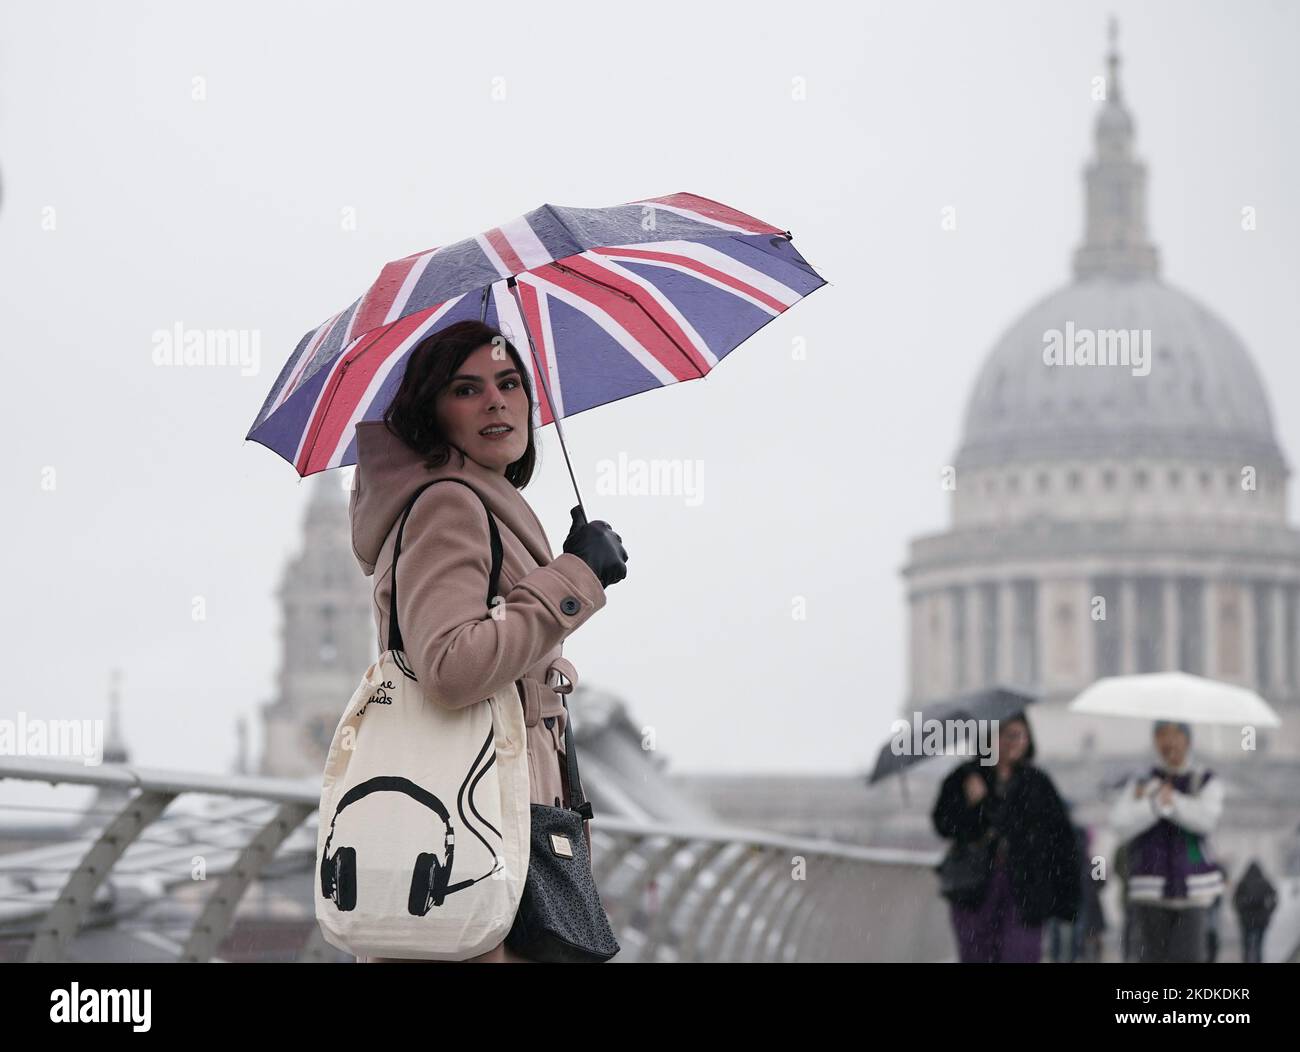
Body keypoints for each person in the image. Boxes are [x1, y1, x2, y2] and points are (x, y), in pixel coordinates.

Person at [346, 319, 630, 962]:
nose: (496, 401)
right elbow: (451, 665)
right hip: (477, 818)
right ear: (433, 414)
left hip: (486, 814)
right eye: (466, 389)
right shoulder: (451, 504)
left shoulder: (478, 501)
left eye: (508, 383)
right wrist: (576, 577)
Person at [932, 712, 1081, 963]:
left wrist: (1068, 900)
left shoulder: (1038, 784)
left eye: (1018, 734)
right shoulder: (965, 777)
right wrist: (972, 806)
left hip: (1024, 889)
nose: (1011, 742)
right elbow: (944, 825)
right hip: (977, 888)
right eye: (1004, 734)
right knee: (977, 955)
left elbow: (1062, 842)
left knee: (1020, 953)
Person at [1109, 721, 1224, 963]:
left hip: (1193, 889)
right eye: (1162, 735)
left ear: (1188, 740)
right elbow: (1120, 824)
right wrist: (1155, 804)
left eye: (1176, 735)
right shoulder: (1141, 782)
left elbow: (1205, 820)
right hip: (1149, 885)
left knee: (1189, 957)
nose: (1169, 742)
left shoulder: (1204, 780)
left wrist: (1174, 802)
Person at [1232, 860, 1278, 963]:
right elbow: (1274, 898)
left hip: (1246, 920)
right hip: (1260, 920)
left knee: (1247, 947)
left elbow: (1235, 900)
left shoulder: (1243, 883)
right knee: (1259, 946)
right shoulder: (1264, 882)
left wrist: (1241, 912)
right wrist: (1268, 912)